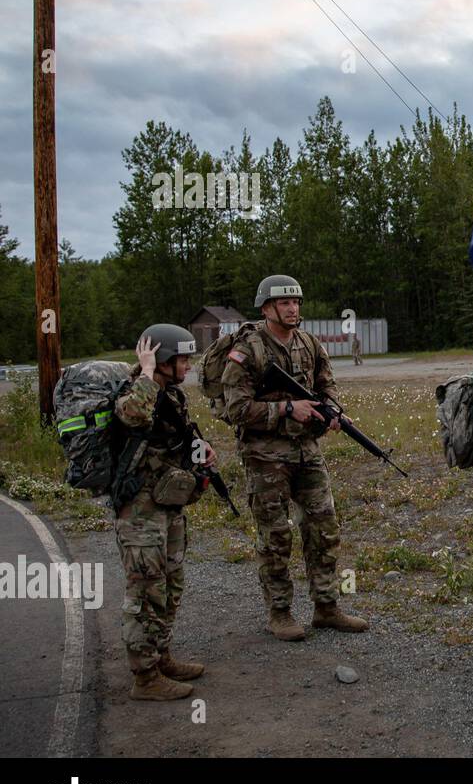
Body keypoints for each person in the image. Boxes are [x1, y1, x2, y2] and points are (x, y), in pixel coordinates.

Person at [219, 274, 368, 641]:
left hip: (307, 452)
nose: (293, 308)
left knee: (324, 527)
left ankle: (327, 607)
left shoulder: (309, 343)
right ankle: (280, 612)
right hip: (265, 457)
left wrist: (333, 410)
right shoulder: (248, 350)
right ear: (266, 308)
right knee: (275, 536)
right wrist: (287, 409)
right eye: (285, 303)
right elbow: (235, 409)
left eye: (297, 302)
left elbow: (326, 384)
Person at [112, 325, 210, 700]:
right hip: (140, 509)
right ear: (163, 361)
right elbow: (132, 416)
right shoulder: (137, 389)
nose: (188, 365)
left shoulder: (172, 395)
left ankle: (161, 655)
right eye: (182, 359)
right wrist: (148, 372)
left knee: (171, 584)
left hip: (166, 504)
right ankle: (145, 677)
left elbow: (176, 438)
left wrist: (203, 452)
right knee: (146, 589)